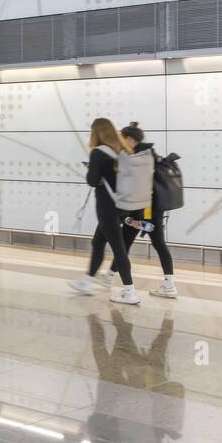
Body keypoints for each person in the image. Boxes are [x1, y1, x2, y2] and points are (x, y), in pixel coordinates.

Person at [69, 118, 138, 304]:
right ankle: (87, 281)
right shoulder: (122, 150)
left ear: (96, 133)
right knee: (98, 242)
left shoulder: (98, 152)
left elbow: (92, 180)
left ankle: (130, 292)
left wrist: (91, 169)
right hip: (123, 205)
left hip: (107, 206)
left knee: (119, 249)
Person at [110, 122, 177, 298]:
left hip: (143, 208)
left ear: (130, 139)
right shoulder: (150, 153)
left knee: (124, 243)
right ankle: (169, 284)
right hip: (153, 207)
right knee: (155, 243)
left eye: (122, 139)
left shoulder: (137, 156)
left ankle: (110, 277)